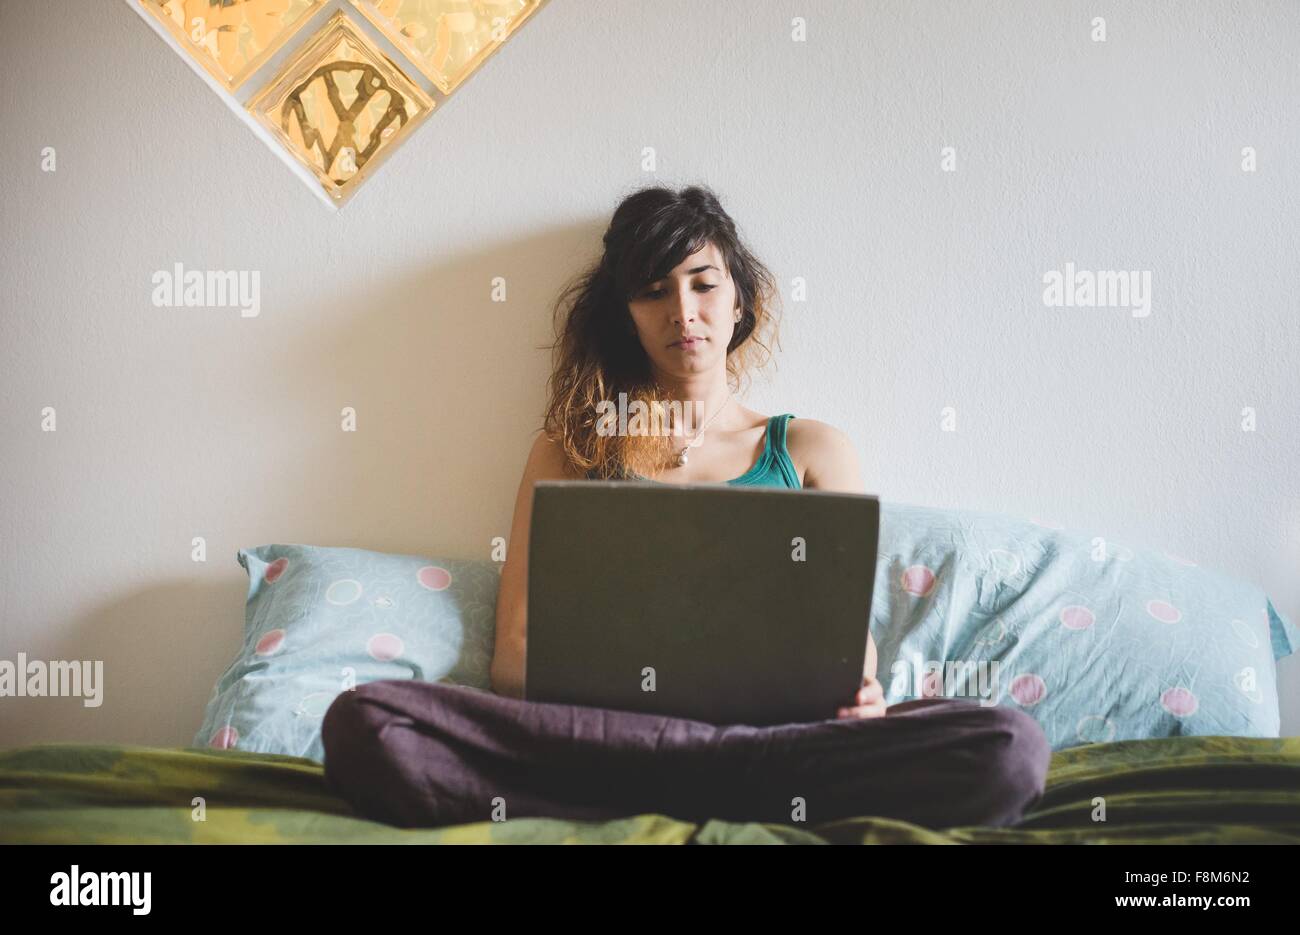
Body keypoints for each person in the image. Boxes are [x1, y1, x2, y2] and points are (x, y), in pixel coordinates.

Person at [322, 185, 1051, 831]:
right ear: (625, 314)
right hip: (603, 741)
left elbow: (849, 660)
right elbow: (513, 658)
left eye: (704, 284)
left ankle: (653, 797)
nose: (684, 312)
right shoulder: (570, 448)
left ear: (740, 298)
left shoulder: (811, 450)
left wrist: (858, 696)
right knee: (370, 721)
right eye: (654, 291)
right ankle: (688, 792)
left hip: (774, 748)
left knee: (1009, 748)